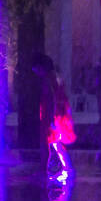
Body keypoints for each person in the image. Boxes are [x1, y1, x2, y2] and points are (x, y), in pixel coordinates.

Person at [34, 53, 73, 183]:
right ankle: (67, 169)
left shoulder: (47, 80)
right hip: (56, 115)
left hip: (50, 115)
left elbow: (51, 99)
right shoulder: (56, 77)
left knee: (47, 143)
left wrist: (51, 119)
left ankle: (44, 171)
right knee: (55, 143)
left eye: (36, 68)